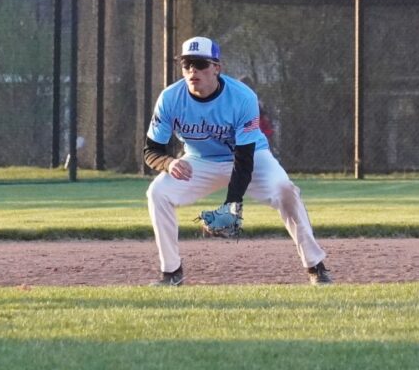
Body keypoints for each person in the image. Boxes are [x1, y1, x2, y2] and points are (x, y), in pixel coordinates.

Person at [142, 35, 332, 286]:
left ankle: (315, 266)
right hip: (200, 160)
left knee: (285, 189)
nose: (192, 70)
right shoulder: (170, 98)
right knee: (158, 192)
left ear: (216, 68)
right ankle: (172, 272)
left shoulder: (242, 97)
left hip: (251, 156)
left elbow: (243, 158)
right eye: (187, 64)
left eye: (200, 64)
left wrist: (233, 202)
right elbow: (151, 150)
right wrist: (169, 163)